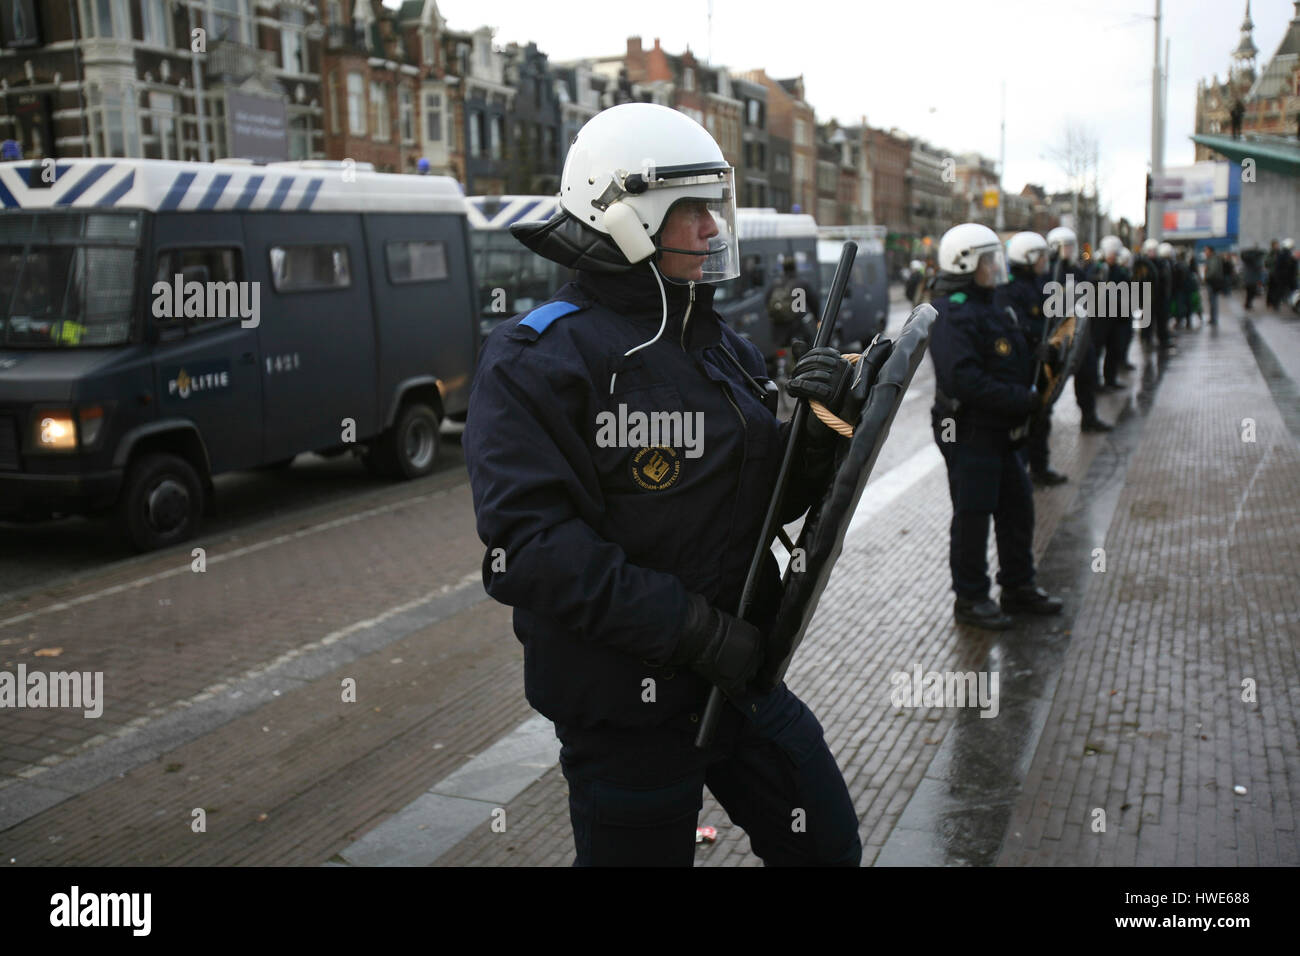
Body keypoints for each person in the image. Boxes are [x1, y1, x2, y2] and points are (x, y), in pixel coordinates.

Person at [464, 102, 862, 867]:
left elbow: (765, 496)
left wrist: (814, 442)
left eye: (715, 208)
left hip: (741, 680)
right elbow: (535, 551)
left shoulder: (718, 340)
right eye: (693, 211)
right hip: (626, 713)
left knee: (829, 846)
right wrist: (697, 633)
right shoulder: (537, 359)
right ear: (626, 213)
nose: (713, 229)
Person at [929, 222, 1064, 630]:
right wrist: (1021, 400)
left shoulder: (993, 304)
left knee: (1017, 509)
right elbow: (963, 379)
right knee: (973, 514)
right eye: (989, 261)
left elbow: (1014, 348)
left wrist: (1042, 356)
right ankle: (970, 598)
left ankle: (1018, 586)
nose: (996, 268)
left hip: (1003, 431)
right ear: (966, 263)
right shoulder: (952, 311)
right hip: (971, 430)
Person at [998, 231, 1065, 487]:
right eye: (1039, 256)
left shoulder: (1041, 283)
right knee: (1024, 421)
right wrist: (1035, 345)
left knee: (1041, 418)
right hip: (1023, 365)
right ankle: (1021, 472)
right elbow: (1014, 326)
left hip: (1040, 361)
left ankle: (1040, 467)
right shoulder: (1009, 289)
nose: (1044, 261)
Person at [1048, 226, 1111, 432]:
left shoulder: (1076, 271)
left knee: (1088, 373)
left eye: (1070, 246)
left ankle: (1089, 416)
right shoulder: (1048, 272)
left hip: (1078, 331)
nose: (1068, 251)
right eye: (1065, 246)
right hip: (1056, 334)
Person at [767, 254, 820, 354]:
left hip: (779, 327)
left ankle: (781, 365)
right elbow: (814, 302)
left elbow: (767, 301)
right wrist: (817, 318)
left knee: (782, 351)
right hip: (798, 325)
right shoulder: (802, 283)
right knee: (803, 349)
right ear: (795, 267)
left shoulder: (775, 284)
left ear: (783, 268)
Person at [1203, 247, 1225, 326]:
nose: (1205, 252)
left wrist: (1206, 277)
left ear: (1210, 251)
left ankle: (1214, 319)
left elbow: (1213, 271)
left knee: (1213, 301)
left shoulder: (1213, 259)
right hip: (1213, 282)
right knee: (1212, 301)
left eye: (1206, 250)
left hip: (1213, 282)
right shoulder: (1212, 258)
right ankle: (1212, 318)